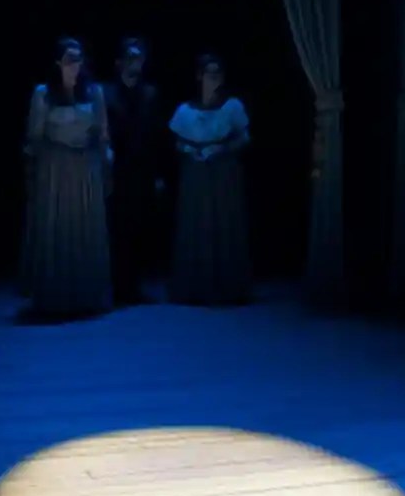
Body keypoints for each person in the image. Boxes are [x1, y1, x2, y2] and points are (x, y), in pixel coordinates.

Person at [19, 37, 113, 321]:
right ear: (58, 62)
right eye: (70, 59)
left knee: (85, 228)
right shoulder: (43, 94)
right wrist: (33, 171)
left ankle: (86, 295)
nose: (76, 65)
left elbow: (103, 133)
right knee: (57, 228)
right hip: (55, 169)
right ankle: (55, 296)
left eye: (79, 59)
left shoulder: (94, 93)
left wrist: (106, 164)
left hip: (86, 166)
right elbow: (34, 136)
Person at [168, 54, 251, 305]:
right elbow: (177, 140)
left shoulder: (232, 106)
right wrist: (189, 150)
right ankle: (195, 285)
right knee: (196, 223)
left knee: (224, 223)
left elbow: (244, 137)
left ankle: (227, 285)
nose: (214, 78)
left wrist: (221, 150)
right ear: (199, 76)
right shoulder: (185, 110)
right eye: (209, 73)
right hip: (196, 173)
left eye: (218, 73)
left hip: (223, 171)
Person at [101, 37, 168, 304]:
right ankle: (118, 286)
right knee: (116, 228)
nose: (135, 63)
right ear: (119, 62)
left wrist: (159, 174)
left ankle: (134, 286)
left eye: (139, 57)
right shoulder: (105, 92)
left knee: (139, 227)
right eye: (130, 57)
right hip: (115, 169)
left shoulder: (151, 93)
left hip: (142, 171)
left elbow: (157, 136)